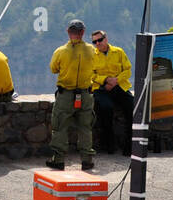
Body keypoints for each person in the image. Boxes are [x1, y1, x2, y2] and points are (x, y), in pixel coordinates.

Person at [48, 19, 97, 171]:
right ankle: (86, 160)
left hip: (66, 95)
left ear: (68, 32)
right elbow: (96, 67)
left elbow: (53, 69)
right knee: (85, 128)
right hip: (85, 94)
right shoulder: (91, 50)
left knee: (60, 126)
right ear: (83, 33)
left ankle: (58, 159)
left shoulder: (61, 51)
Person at [90, 29, 134, 154]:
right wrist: (105, 80)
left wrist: (116, 81)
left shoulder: (118, 52)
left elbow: (128, 70)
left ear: (106, 38)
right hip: (101, 88)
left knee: (131, 107)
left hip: (119, 86)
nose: (97, 43)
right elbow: (90, 74)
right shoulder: (92, 55)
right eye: (94, 42)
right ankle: (109, 144)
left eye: (99, 40)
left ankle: (129, 146)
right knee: (105, 108)